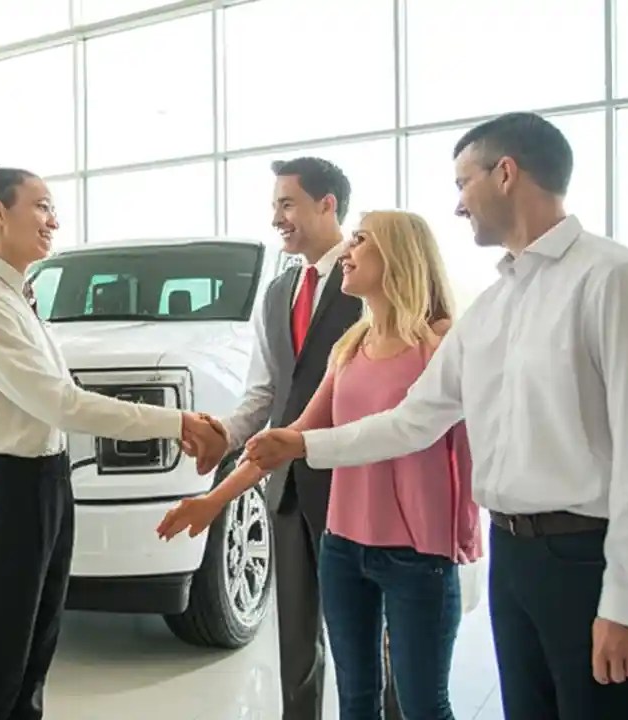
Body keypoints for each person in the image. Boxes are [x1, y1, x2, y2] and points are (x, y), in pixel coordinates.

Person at [237, 113, 628, 720]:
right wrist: (302, 447)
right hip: (513, 555)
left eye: (462, 183)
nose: (456, 206)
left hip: (590, 557)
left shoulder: (615, 280)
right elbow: (412, 420)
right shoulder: (495, 306)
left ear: (506, 173)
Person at [161, 209, 482, 720]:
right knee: (356, 698)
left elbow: (401, 430)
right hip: (344, 547)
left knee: (423, 704)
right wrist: (212, 501)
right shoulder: (349, 347)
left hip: (418, 556)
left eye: (360, 240)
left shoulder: (441, 346)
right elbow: (288, 439)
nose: (347, 252)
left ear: (398, 254)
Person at [0, 154, 228, 720]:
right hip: (9, 492)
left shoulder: (20, 299)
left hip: (48, 482)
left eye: (55, 209)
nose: (53, 220)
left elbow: (59, 398)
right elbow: (60, 402)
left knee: (35, 655)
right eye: (43, 207)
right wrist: (177, 423)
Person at [191, 157, 401, 720]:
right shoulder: (278, 289)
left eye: (287, 203)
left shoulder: (370, 278)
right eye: (275, 205)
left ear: (327, 204)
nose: (277, 217)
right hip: (286, 485)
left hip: (357, 480)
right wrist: (228, 433)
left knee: (374, 634)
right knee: (296, 636)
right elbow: (265, 392)